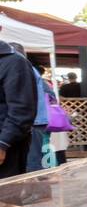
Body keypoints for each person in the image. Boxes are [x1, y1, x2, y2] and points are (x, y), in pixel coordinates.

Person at [0, 40, 37, 179]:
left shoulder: (14, 62)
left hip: (7, 146)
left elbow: (22, 110)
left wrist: (3, 143)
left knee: (6, 197)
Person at [26, 59, 56, 171]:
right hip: (40, 119)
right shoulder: (40, 79)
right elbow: (52, 97)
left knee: (33, 157)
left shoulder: (25, 71)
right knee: (40, 150)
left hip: (32, 119)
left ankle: (34, 182)